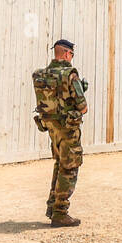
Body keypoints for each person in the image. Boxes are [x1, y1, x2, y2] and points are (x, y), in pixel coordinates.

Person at [31, 38, 88, 227]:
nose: (71, 58)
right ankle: (60, 212)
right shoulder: (70, 74)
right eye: (71, 54)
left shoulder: (41, 74)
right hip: (68, 130)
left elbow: (53, 99)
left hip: (52, 128)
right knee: (69, 168)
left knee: (59, 164)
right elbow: (82, 107)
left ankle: (52, 207)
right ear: (66, 54)